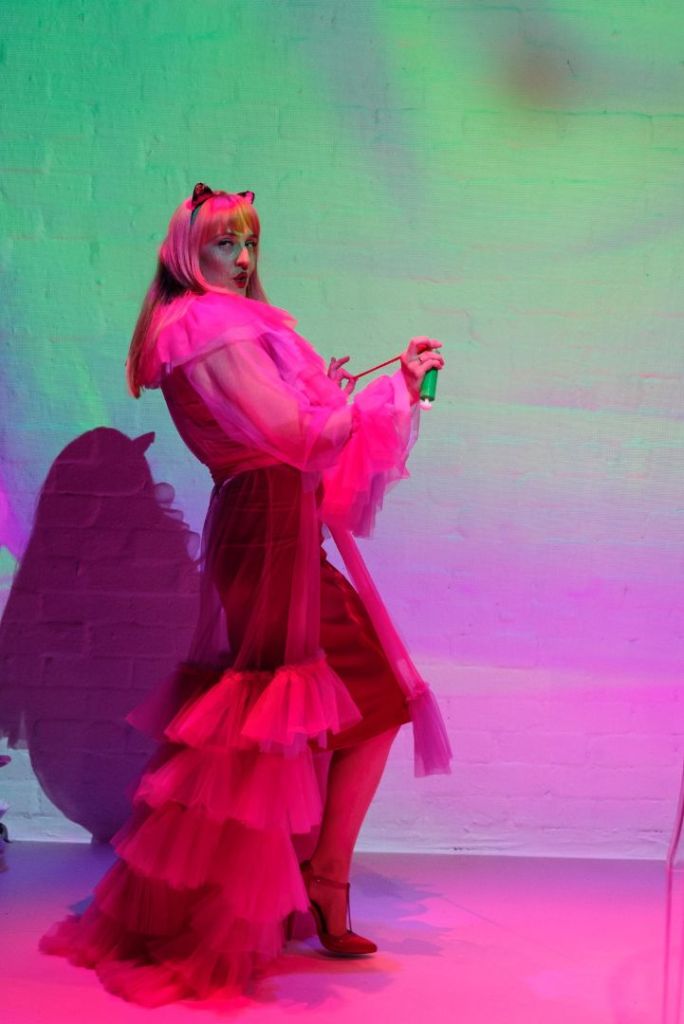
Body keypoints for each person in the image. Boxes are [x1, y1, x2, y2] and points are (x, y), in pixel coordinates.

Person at [39, 184, 451, 1006]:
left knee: (317, 709)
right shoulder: (202, 325)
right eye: (225, 244)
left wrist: (381, 391)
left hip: (274, 521)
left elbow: (296, 435)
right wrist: (356, 401)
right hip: (266, 528)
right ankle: (298, 889)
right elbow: (293, 435)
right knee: (294, 713)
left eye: (250, 243)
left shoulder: (218, 326)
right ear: (189, 252)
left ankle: (301, 886)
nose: (243, 258)